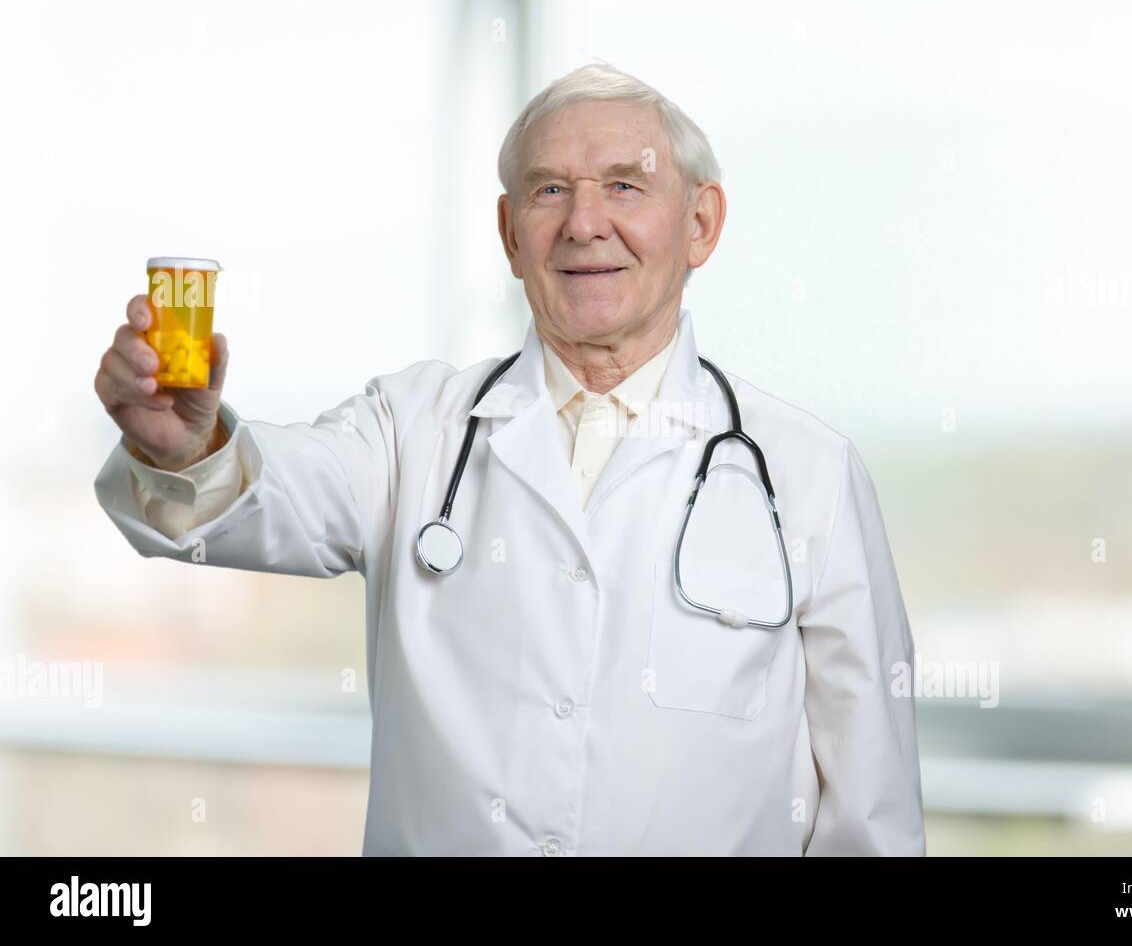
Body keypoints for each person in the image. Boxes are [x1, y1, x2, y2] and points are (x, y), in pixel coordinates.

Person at [92, 62, 925, 856]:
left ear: (701, 223)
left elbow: (872, 816)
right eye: (549, 189)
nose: (584, 222)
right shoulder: (413, 428)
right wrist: (185, 445)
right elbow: (270, 491)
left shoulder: (808, 471)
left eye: (625, 186)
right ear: (508, 232)